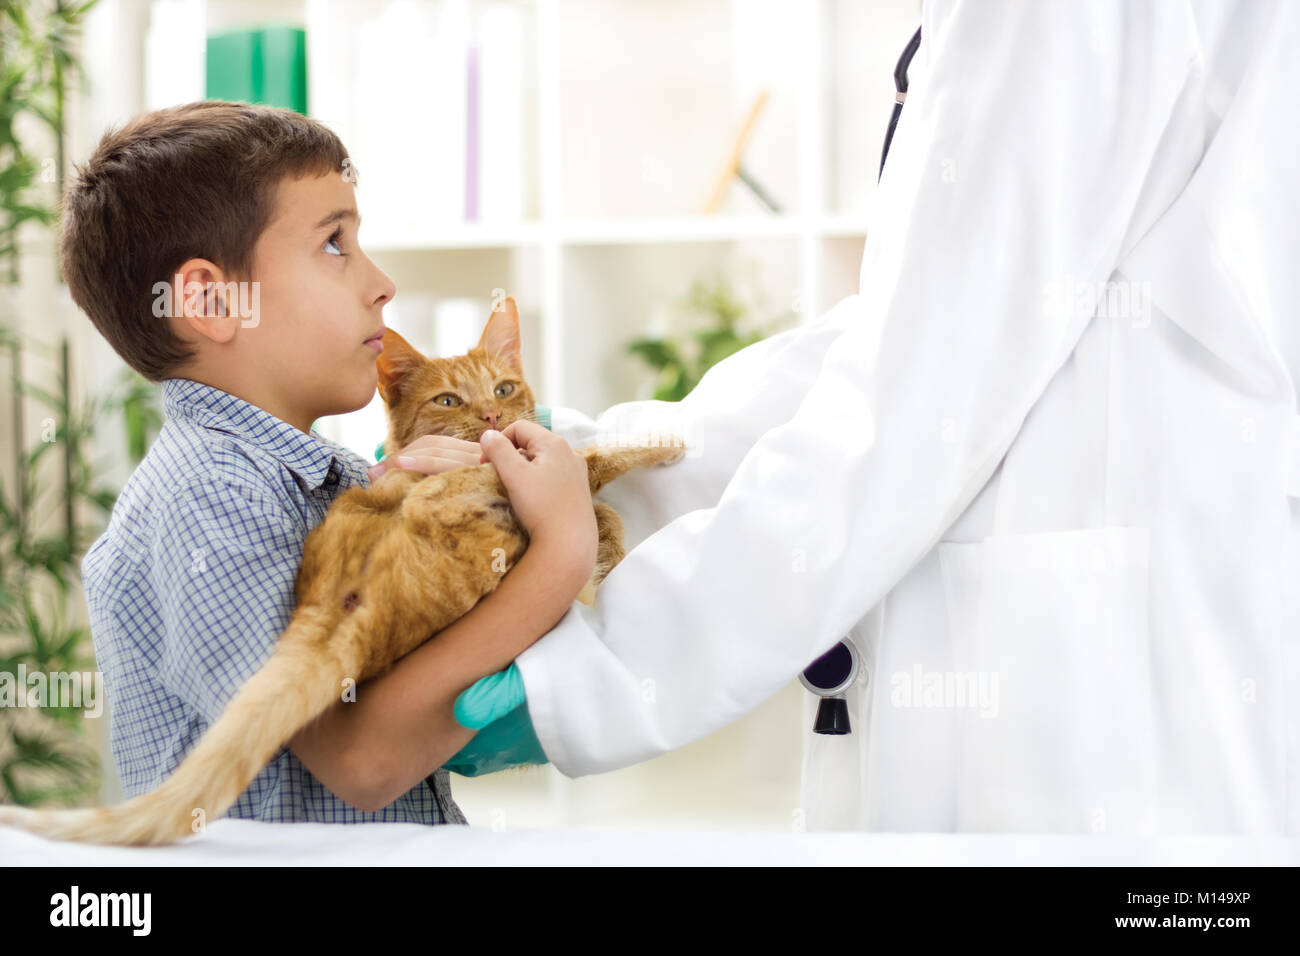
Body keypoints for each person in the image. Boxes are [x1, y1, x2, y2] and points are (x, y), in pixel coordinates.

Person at [432, 0, 1300, 834]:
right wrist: (580, 460)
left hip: (1125, 699)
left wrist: (605, 671)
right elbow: (919, 327)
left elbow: (933, 374)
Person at [64, 101, 597, 825]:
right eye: (335, 244)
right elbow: (361, 761)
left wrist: (443, 524)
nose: (382, 282)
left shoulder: (328, 480)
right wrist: (562, 553)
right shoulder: (209, 492)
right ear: (215, 301)